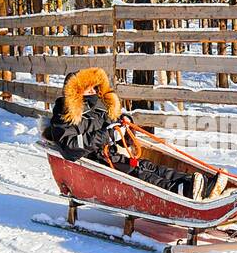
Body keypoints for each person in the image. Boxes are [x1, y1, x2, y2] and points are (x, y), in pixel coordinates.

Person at [44, 68, 227, 200]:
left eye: (95, 88)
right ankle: (184, 191)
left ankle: (197, 183)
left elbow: (113, 128)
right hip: (96, 164)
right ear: (76, 92)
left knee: (150, 167)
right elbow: (71, 147)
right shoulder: (64, 117)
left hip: (114, 157)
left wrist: (124, 123)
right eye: (88, 89)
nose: (94, 92)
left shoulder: (97, 111)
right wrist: (108, 136)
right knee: (141, 175)